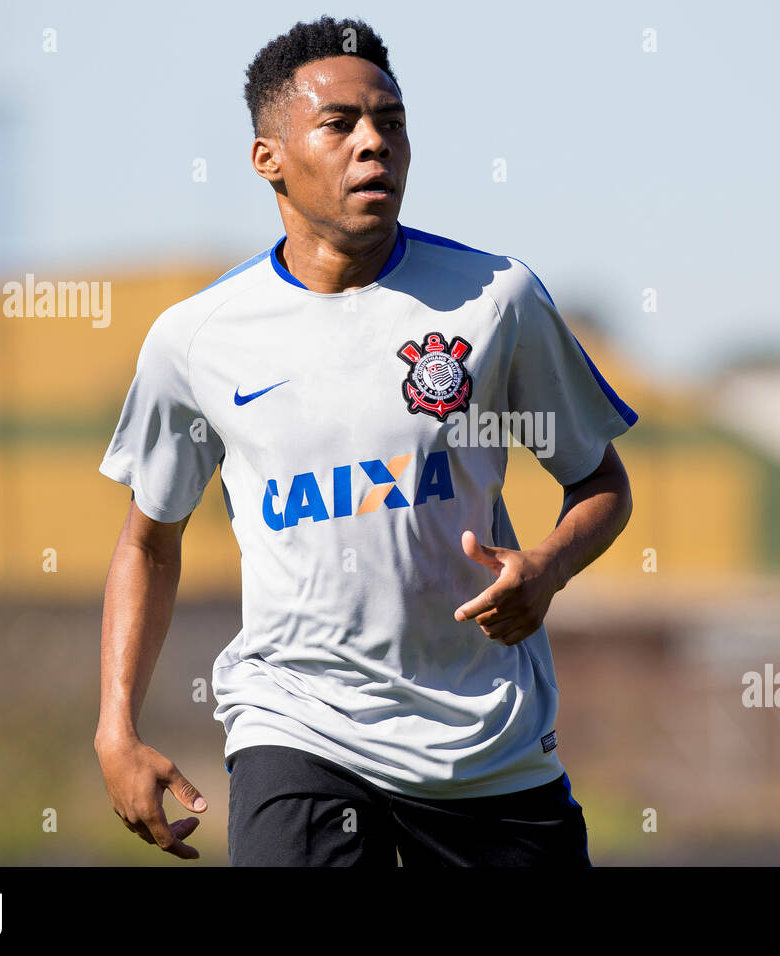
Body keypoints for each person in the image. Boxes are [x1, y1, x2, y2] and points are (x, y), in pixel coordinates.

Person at [93, 15, 636, 867]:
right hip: (296, 725)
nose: (374, 144)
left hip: (482, 744)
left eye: (391, 121)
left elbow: (600, 480)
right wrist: (115, 728)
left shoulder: (496, 299)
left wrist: (551, 566)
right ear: (268, 157)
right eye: (340, 124)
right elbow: (149, 543)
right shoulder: (194, 338)